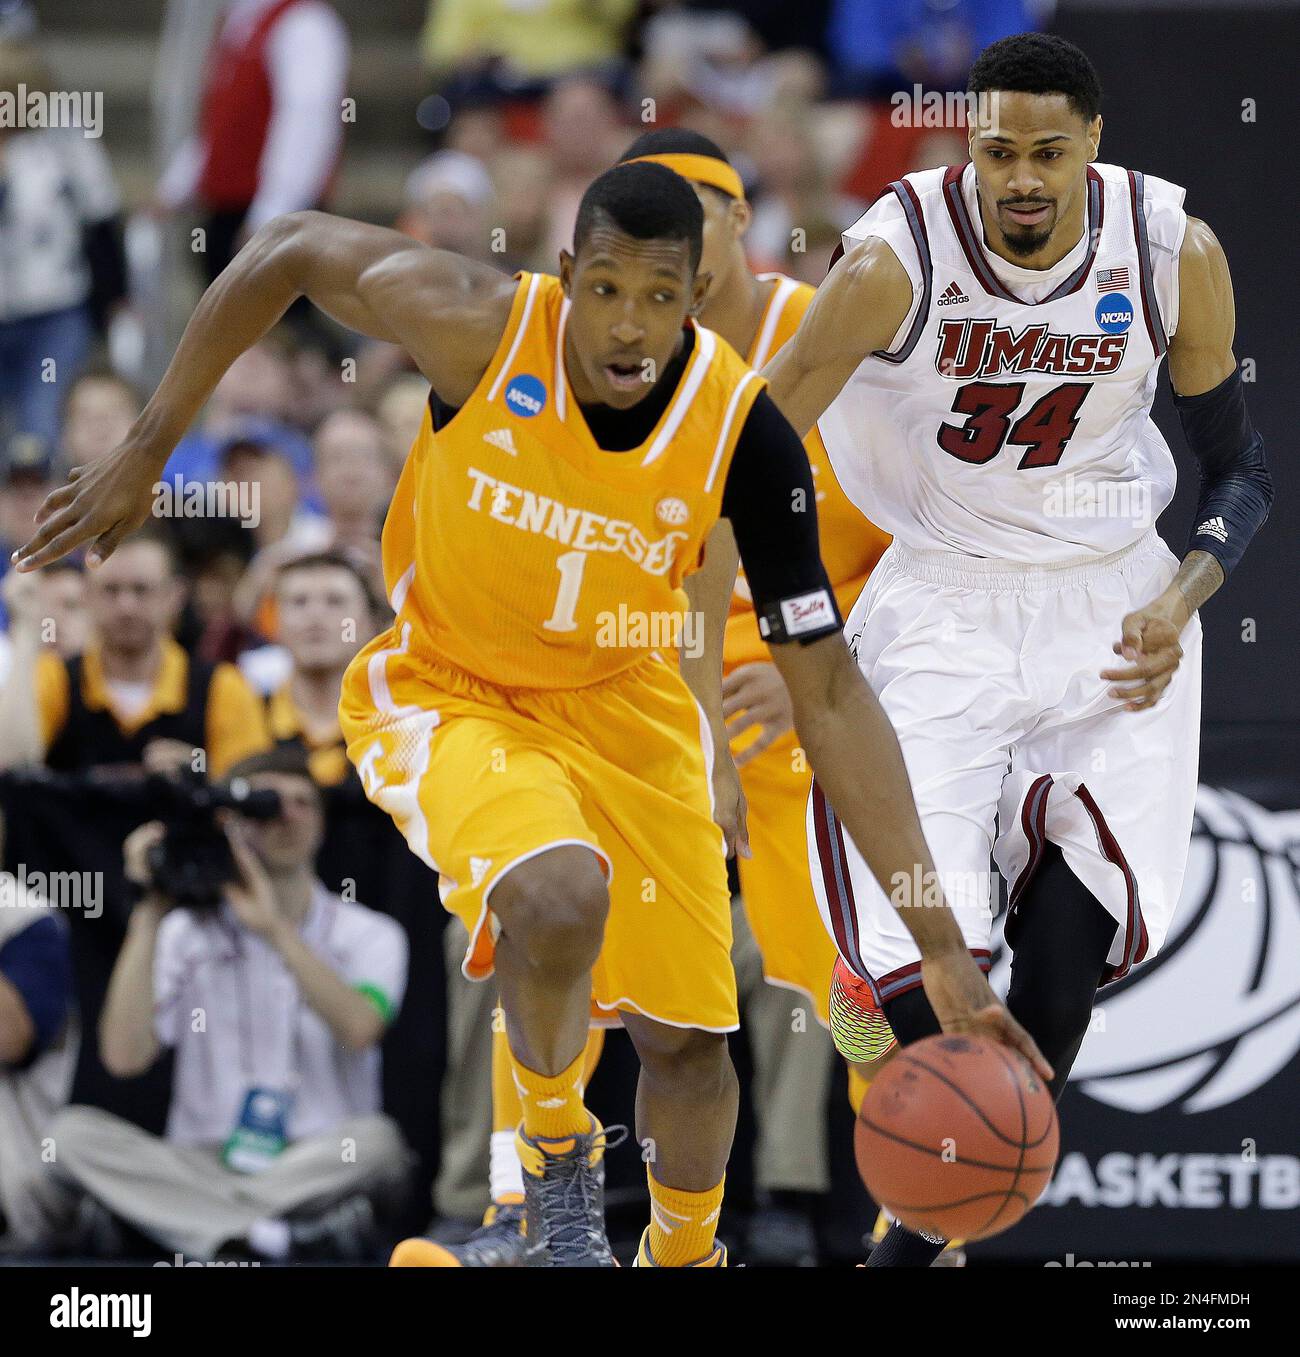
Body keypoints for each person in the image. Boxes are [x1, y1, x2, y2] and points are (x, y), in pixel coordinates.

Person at [13, 161, 1046, 1267]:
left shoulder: (743, 436)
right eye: (605, 288)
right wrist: (150, 445)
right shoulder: (477, 325)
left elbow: (830, 692)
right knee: (555, 891)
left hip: (629, 703)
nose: (629, 323)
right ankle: (552, 1194)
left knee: (692, 1049)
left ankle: (680, 1254)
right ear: (566, 275)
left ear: (699, 297)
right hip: (455, 689)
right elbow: (289, 246)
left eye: (660, 295)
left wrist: (940, 946)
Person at [758, 31, 1273, 1265]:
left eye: (1048, 152)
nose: (1022, 179)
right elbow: (756, 441)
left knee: (1050, 999)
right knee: (928, 982)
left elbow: (1238, 471)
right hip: (943, 604)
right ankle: (877, 1021)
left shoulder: (1171, 253)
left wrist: (1186, 593)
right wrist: (784, 617)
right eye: (998, 152)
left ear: (1093, 144)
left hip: (1114, 607)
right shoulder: (898, 257)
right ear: (967, 146)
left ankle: (908, 1252)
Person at [421, 129, 894, 1268]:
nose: (670, 226)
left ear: (736, 230)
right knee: (543, 933)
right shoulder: (561, 351)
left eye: (701, 205)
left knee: (838, 970)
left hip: (796, 684)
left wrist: (833, 678)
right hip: (633, 689)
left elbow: (916, 545)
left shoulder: (814, 342)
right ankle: (515, 1208)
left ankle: (899, 1211)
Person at [51, 745, 410, 1262]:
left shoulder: (370, 933)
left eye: (301, 803)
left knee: (380, 1144)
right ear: (231, 824)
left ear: (324, 826)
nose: (283, 815)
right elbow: (124, 1058)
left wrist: (274, 931)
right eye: (264, 805)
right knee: (70, 1137)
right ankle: (264, 1236)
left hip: (315, 1158)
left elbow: (360, 1028)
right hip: (199, 1159)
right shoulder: (183, 932)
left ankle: (191, 1227)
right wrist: (149, 910)